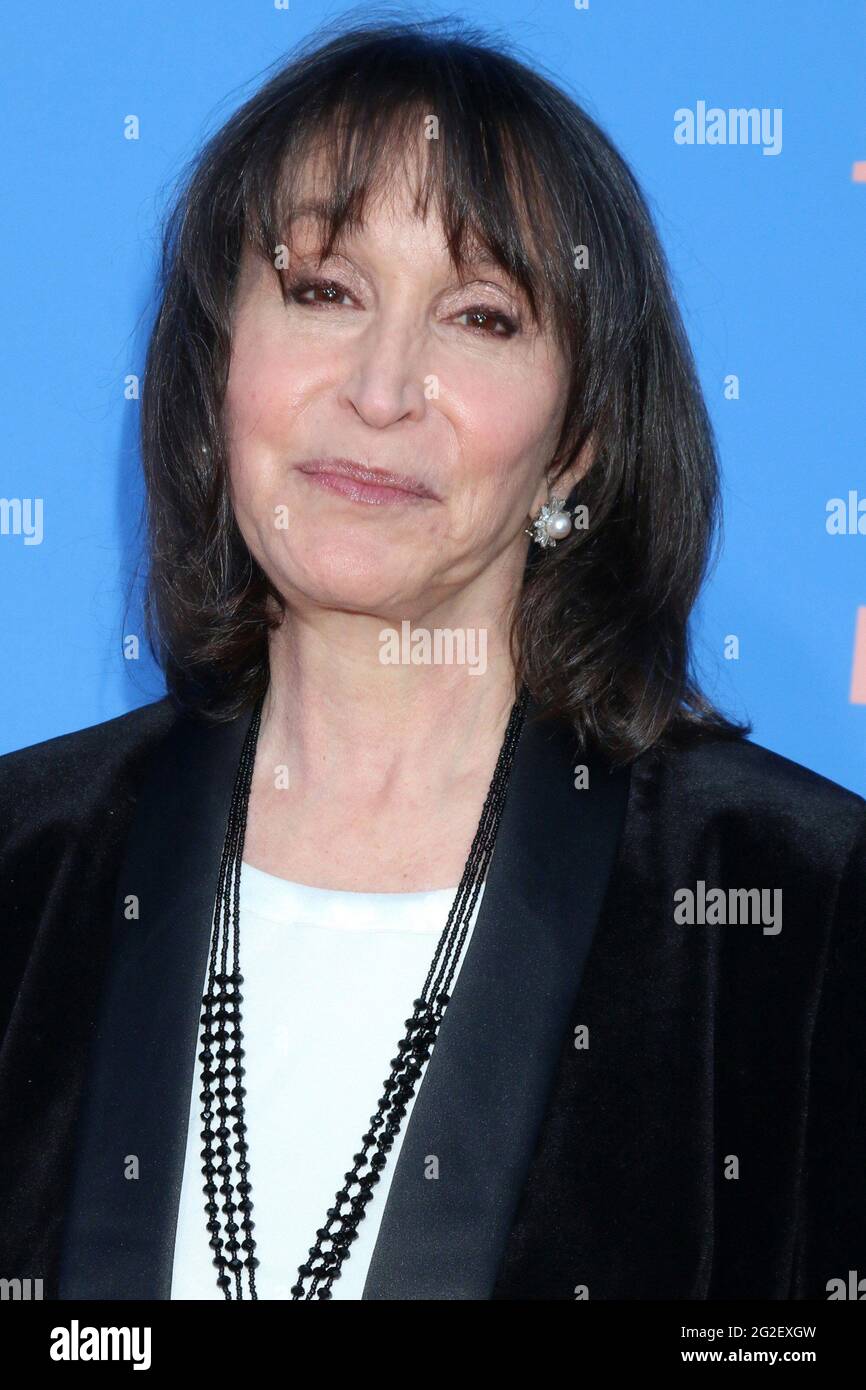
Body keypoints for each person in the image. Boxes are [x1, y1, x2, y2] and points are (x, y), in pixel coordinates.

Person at [0, 17, 863, 1302]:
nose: (383, 387)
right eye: (322, 291)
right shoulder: (27, 860)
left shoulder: (797, 903)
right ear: (217, 359)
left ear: (575, 444)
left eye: (479, 315)